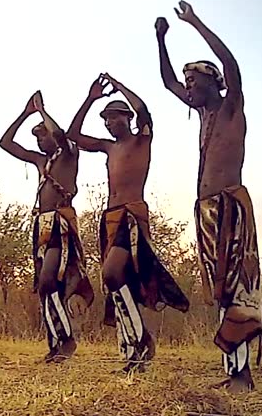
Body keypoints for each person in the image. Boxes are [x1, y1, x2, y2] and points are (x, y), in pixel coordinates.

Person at [157, 0, 262, 392]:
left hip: (230, 205)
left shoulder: (231, 106)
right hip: (205, 209)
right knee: (218, 286)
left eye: (194, 83)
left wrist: (194, 22)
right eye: (188, 84)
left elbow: (232, 66)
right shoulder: (203, 115)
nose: (188, 89)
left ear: (213, 84)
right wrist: (160, 39)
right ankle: (234, 371)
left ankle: (243, 374)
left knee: (236, 284)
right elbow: (167, 82)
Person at [69, 74, 190, 373]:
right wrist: (91, 98)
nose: (109, 123)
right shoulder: (108, 148)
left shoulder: (141, 140)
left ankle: (141, 341)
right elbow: (73, 134)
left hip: (131, 215)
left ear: (127, 118)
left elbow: (145, 110)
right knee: (118, 283)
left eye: (114, 117)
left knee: (113, 273)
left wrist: (119, 85)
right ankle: (133, 346)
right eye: (106, 119)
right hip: (109, 217)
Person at [0, 91, 94, 363]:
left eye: (44, 135)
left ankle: (67, 341)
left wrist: (43, 111)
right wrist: (26, 113)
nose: (41, 141)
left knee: (51, 280)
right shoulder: (40, 161)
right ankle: (55, 343)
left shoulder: (68, 154)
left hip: (60, 222)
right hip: (40, 225)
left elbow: (63, 136)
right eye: (37, 137)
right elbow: (5, 143)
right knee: (44, 286)